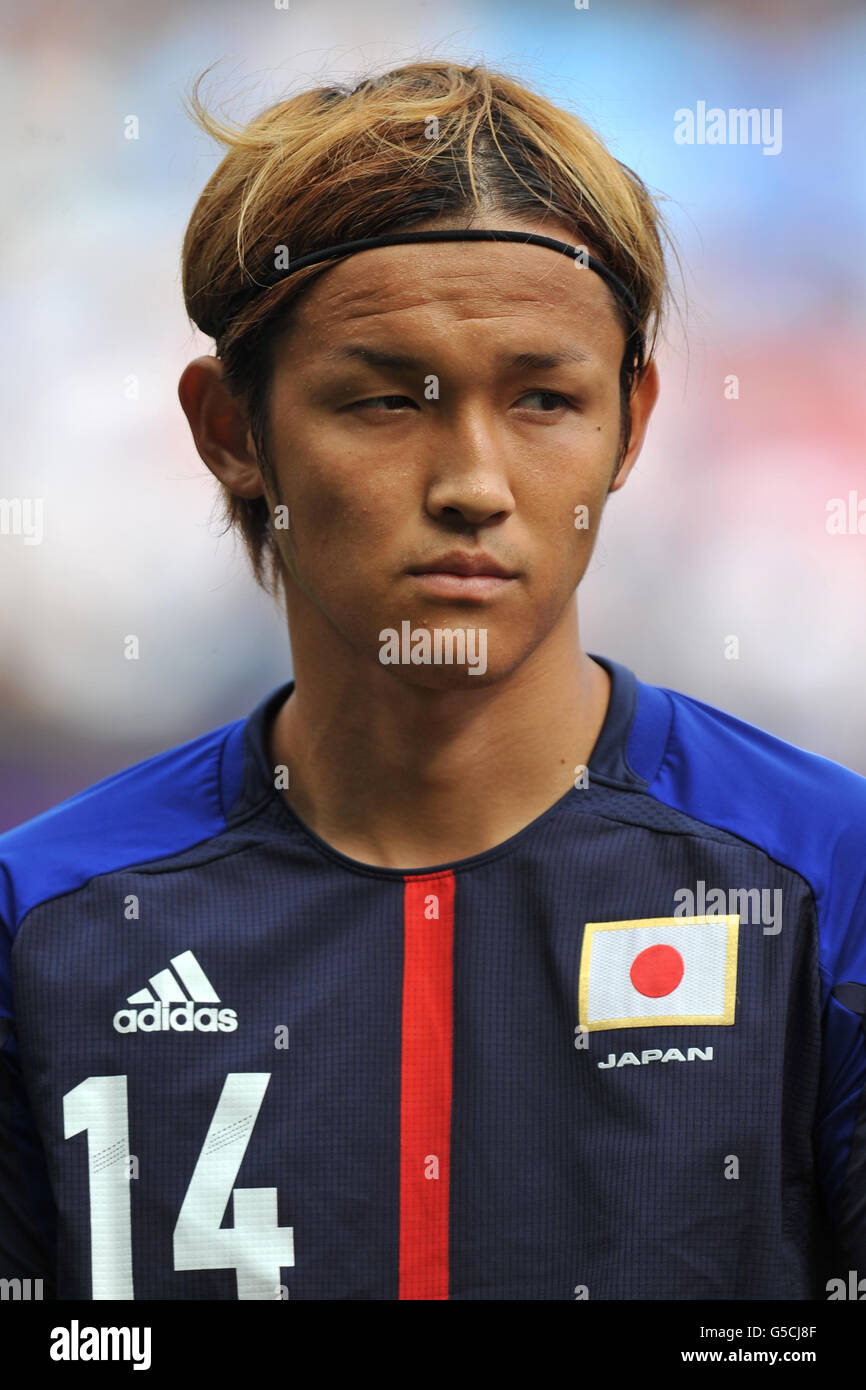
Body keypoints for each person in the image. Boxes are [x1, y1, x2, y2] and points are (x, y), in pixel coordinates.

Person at [1, 59, 864, 1302]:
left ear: (631, 424)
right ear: (232, 433)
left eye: (542, 399)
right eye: (382, 401)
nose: (472, 481)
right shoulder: (47, 919)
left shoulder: (825, 883)